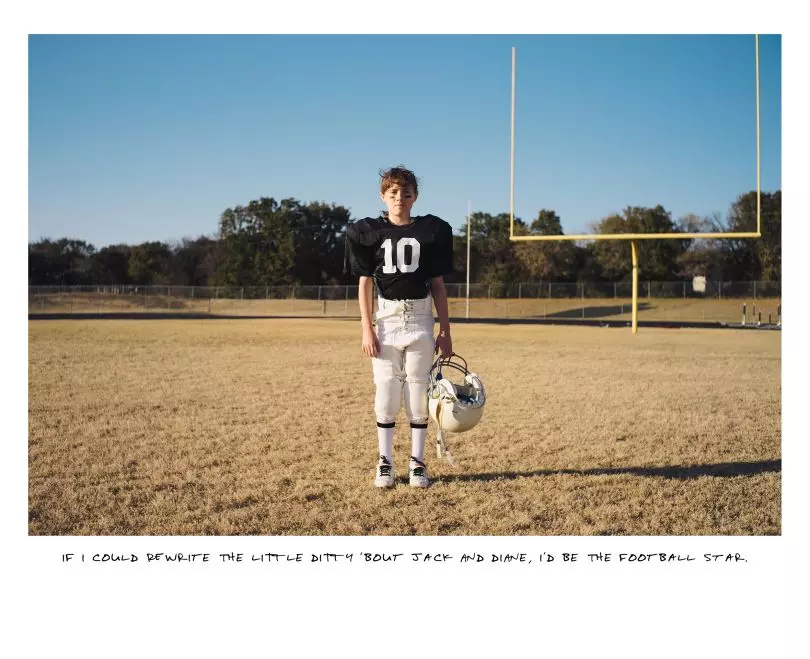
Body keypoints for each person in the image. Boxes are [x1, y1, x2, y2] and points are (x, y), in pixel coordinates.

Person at [345, 166, 454, 488]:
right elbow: (365, 284)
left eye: (406, 193)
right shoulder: (367, 232)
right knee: (387, 392)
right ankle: (385, 462)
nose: (399, 199)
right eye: (393, 193)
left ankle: (418, 463)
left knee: (418, 391)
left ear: (415, 197)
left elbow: (438, 285)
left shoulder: (432, 230)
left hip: (420, 316)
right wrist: (367, 328)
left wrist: (445, 331)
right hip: (386, 319)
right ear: (383, 196)